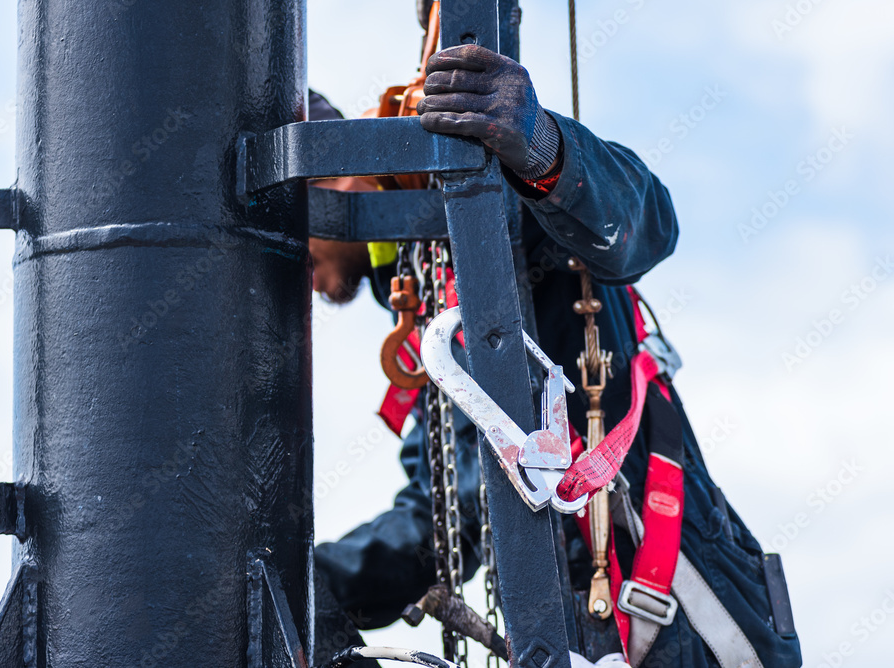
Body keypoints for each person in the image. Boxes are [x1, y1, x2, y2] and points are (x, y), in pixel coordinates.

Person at [307, 21, 803, 668]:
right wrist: (309, 585)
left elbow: (645, 221)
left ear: (335, 179)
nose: (297, 280)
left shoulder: (480, 200)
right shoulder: (423, 289)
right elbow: (448, 515)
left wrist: (542, 148)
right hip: (582, 634)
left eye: (294, 237)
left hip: (687, 621)